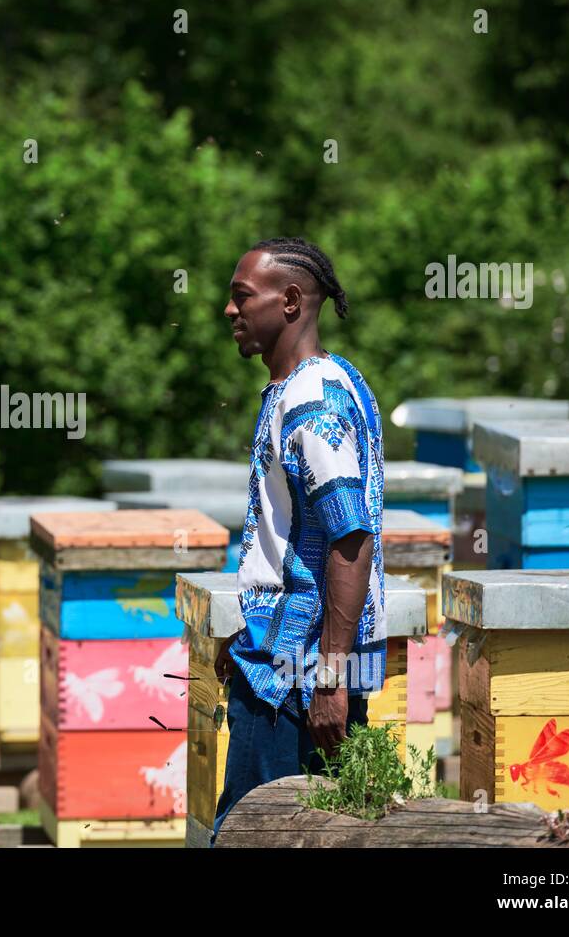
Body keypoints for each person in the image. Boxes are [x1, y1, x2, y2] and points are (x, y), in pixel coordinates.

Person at [211, 237, 386, 843]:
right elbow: (299, 540)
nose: (230, 312)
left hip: (299, 677)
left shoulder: (313, 401)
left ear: (289, 301)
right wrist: (250, 630)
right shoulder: (310, 386)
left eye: (241, 297)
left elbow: (350, 539)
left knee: (251, 834)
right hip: (290, 661)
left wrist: (332, 678)